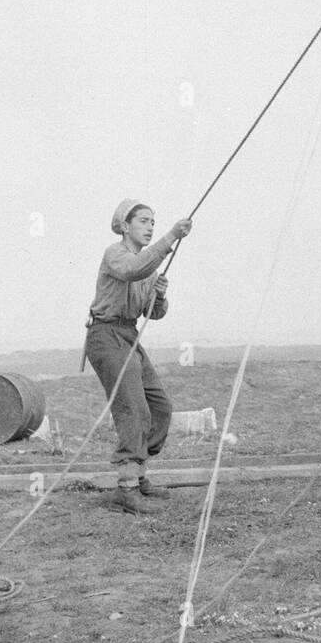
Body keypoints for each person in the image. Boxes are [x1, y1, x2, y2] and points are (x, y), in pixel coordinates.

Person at [85, 200, 192, 515]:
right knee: (133, 409)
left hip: (129, 335)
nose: (149, 228)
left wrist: (159, 295)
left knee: (160, 407)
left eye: (153, 223)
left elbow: (152, 313)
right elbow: (133, 270)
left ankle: (140, 475)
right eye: (143, 221)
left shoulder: (149, 266)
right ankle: (126, 489)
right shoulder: (115, 255)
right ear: (124, 225)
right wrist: (171, 236)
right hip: (106, 336)